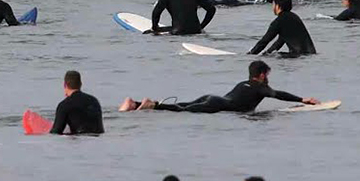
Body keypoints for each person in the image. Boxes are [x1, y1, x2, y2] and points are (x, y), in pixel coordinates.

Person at [118, 59, 318, 113]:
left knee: (183, 106)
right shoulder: (260, 87)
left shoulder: (243, 83)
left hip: (212, 98)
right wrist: (302, 99)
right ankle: (151, 106)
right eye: (267, 76)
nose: (268, 80)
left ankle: (136, 103)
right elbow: (278, 94)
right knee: (182, 110)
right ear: (262, 75)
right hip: (218, 104)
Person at [249, 0, 316, 56]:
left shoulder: (279, 21)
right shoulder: (294, 17)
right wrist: (267, 53)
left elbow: (264, 41)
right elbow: (280, 42)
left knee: (275, 57)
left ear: (277, 6)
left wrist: (250, 55)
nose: (272, 7)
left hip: (298, 56)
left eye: (273, 4)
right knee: (272, 56)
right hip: (310, 55)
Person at [50, 70, 104, 135]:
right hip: (97, 140)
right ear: (80, 84)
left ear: (65, 85)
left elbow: (56, 132)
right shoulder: (94, 101)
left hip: (80, 140)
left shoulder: (64, 105)